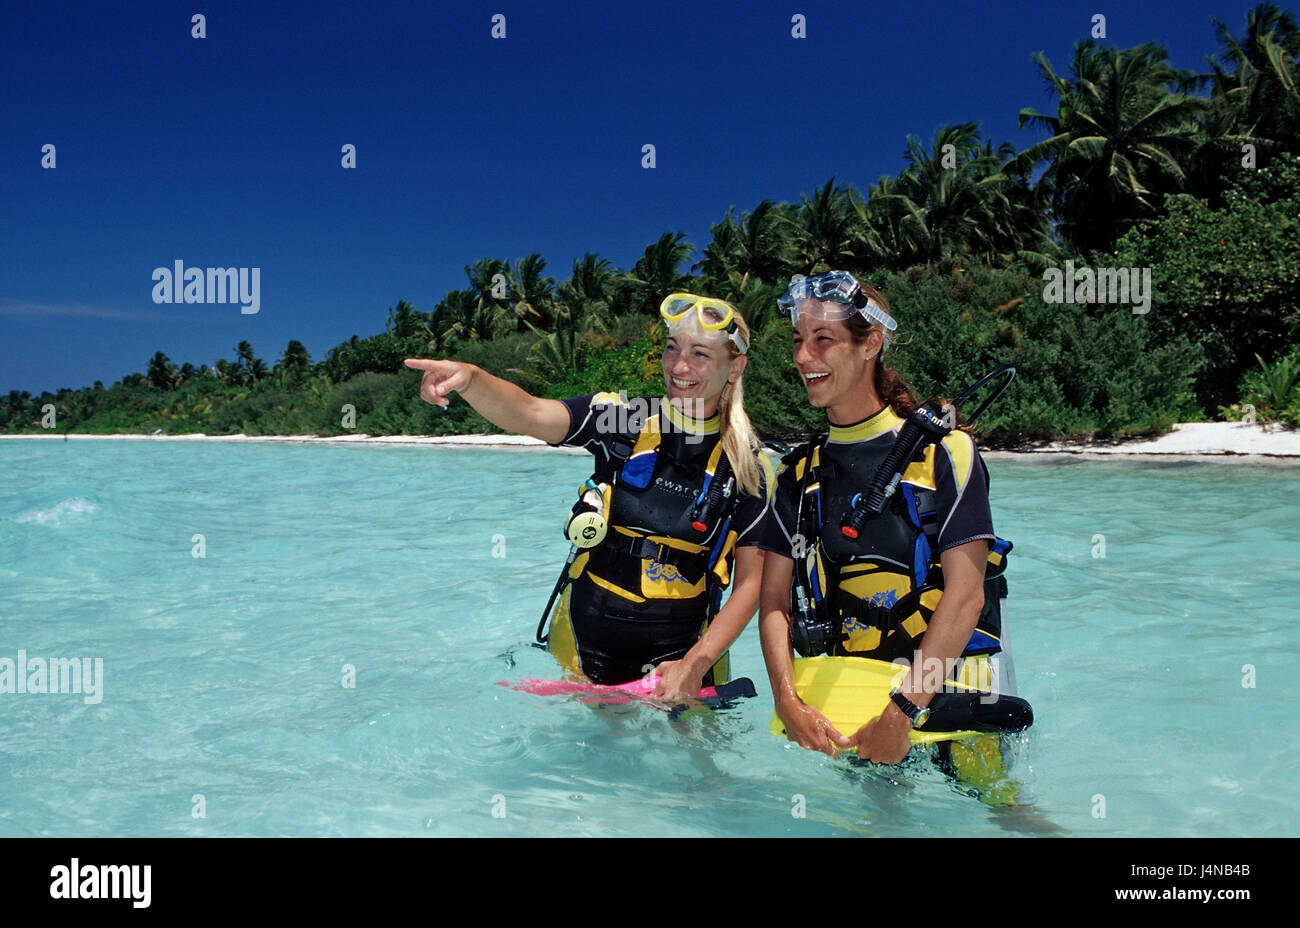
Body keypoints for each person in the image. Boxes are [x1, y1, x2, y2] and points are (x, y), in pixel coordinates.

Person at [405, 294, 771, 701]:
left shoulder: (748, 467)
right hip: (586, 639)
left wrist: (696, 662)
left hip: (688, 650)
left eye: (700, 353)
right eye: (672, 348)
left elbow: (751, 586)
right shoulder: (624, 417)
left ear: (735, 366)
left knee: (697, 763)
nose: (679, 366)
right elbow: (531, 413)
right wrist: (471, 379)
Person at [757, 271, 1015, 772]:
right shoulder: (796, 476)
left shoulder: (947, 454)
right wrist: (787, 701)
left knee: (1004, 816)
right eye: (798, 341)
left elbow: (967, 595)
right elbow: (773, 604)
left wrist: (902, 713)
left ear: (870, 343)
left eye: (823, 340)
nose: (803, 357)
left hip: (949, 696)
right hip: (851, 705)